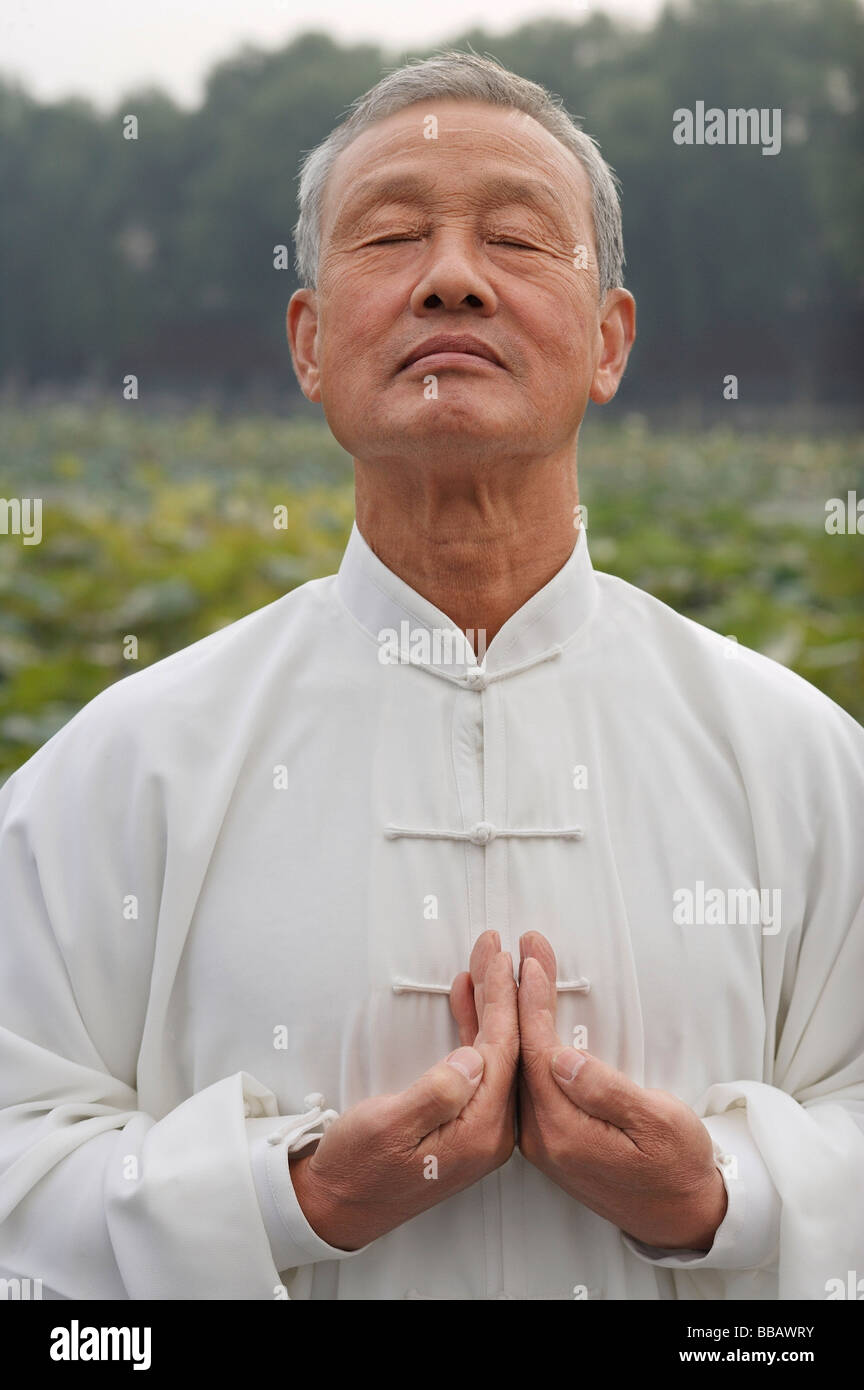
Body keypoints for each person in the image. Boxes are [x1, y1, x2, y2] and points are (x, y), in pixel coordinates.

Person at [0, 51, 861, 1302]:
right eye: (392, 236)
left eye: (514, 240)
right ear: (307, 344)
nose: (450, 277)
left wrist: (728, 1194)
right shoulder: (124, 765)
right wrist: (285, 1199)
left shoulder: (803, 761)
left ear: (611, 341)